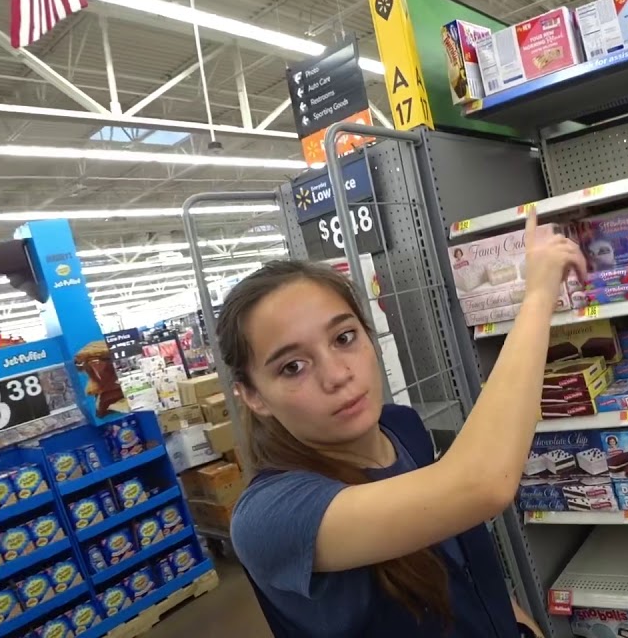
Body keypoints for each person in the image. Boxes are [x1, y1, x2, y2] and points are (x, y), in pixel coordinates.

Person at [220, 211, 586, 637]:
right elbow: (483, 483)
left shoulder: (402, 427)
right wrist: (539, 295)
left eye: (344, 338)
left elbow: (459, 564)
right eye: (293, 366)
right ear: (253, 395)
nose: (337, 375)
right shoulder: (270, 518)